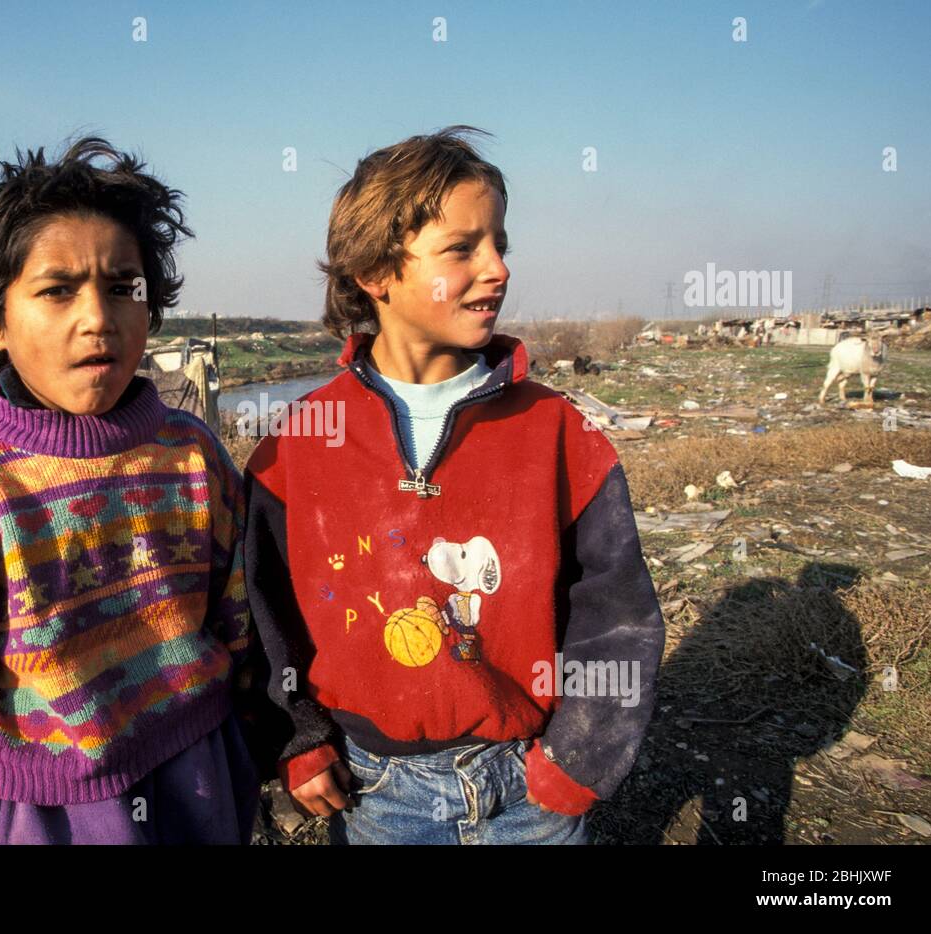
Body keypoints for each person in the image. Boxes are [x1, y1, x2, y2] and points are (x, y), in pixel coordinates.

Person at [243, 126, 665, 844]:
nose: (498, 269)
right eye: (463, 248)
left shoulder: (557, 433)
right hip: (374, 791)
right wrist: (297, 739)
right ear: (377, 272)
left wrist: (582, 755)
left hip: (531, 783)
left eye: (500, 243)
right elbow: (261, 613)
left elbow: (616, 613)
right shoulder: (300, 445)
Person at [0, 135, 259, 844]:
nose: (98, 318)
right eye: (56, 290)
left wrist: (250, 751)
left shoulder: (191, 455)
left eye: (123, 287)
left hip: (205, 781)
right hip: (54, 817)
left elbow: (237, 622)